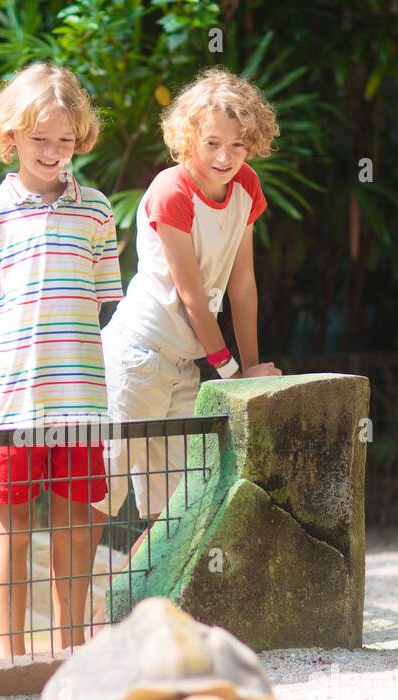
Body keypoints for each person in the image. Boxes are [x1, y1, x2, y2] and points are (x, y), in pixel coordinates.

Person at [0, 63, 123, 656]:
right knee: (12, 527)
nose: (54, 152)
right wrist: (13, 372)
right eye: (40, 140)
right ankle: (10, 659)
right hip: (13, 400)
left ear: (79, 139)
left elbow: (107, 303)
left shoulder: (97, 210)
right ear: (11, 137)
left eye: (65, 140)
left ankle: (72, 652)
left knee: (77, 524)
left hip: (81, 397)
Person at [95, 66, 282, 530]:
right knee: (99, 500)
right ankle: (79, 609)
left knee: (174, 518)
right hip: (135, 357)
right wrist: (232, 374)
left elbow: (243, 285)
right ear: (188, 137)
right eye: (213, 142)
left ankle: (151, 607)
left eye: (238, 144)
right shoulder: (171, 190)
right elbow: (192, 295)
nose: (226, 156)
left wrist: (251, 371)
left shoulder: (246, 188)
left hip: (183, 365)